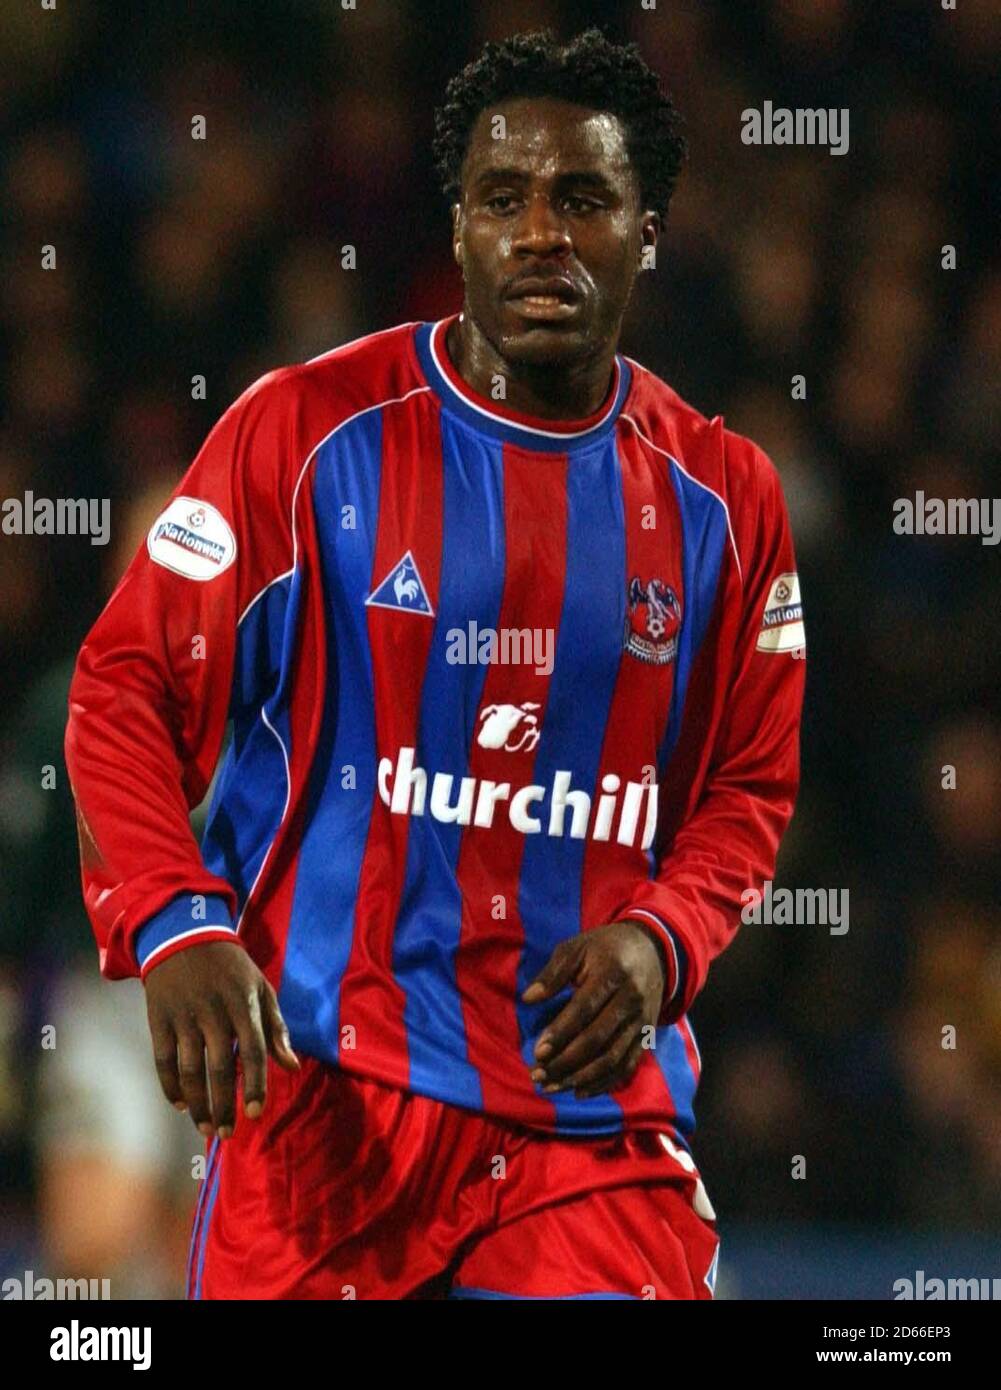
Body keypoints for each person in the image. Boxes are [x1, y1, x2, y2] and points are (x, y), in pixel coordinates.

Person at [64, 28, 805, 1300]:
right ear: (456, 226)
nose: (539, 236)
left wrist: (658, 942)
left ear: (649, 231)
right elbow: (126, 687)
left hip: (586, 1129)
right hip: (324, 1111)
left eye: (583, 200)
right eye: (501, 198)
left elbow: (747, 787)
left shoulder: (722, 497)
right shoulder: (303, 438)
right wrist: (176, 918)